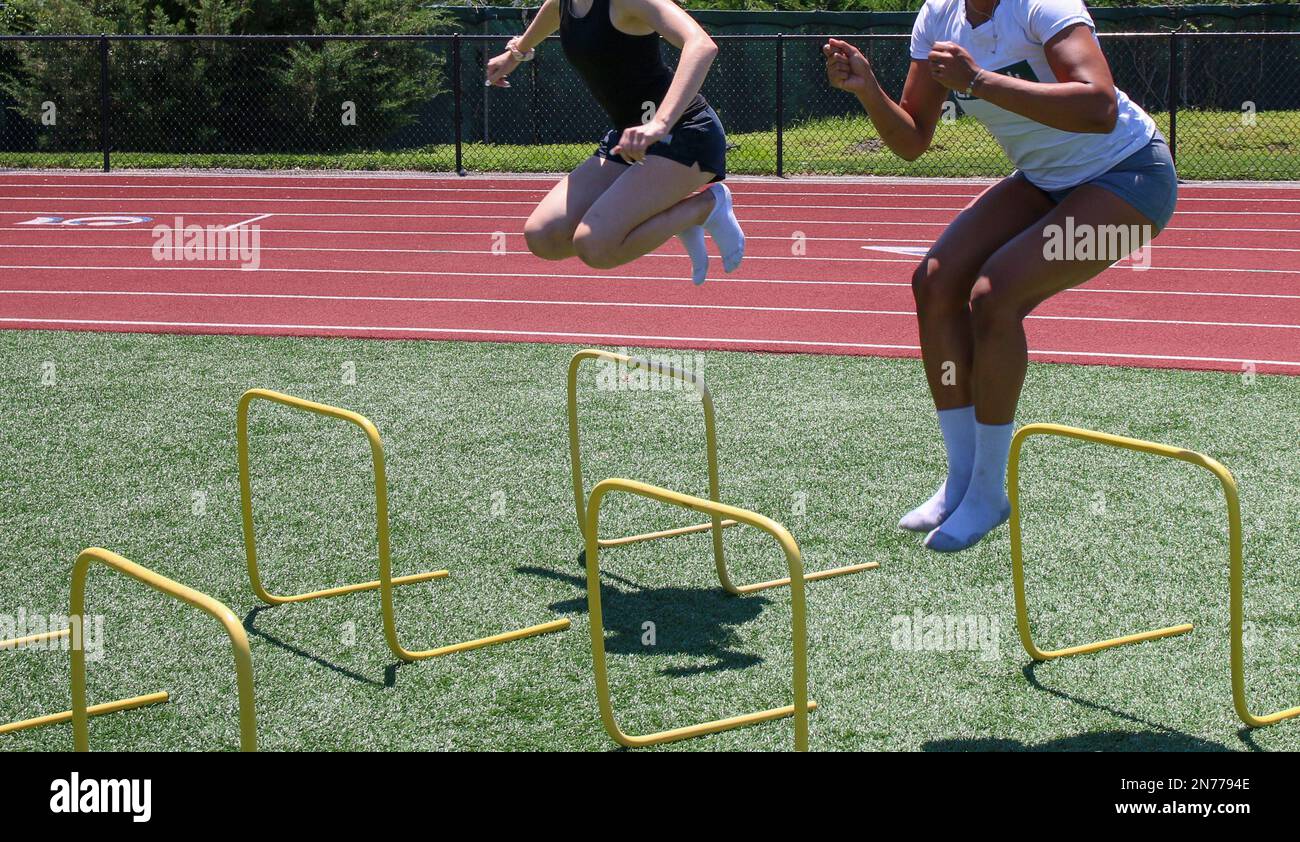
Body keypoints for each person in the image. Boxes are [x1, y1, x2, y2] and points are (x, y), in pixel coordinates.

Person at [825, 0, 1177, 552]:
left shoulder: (1041, 6)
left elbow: (1100, 107)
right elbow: (913, 139)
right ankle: (960, 480)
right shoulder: (937, 16)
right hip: (1045, 180)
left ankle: (989, 492)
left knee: (994, 295)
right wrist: (870, 89)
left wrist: (980, 81)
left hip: (1130, 178)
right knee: (935, 281)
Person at [486, 0, 745, 285]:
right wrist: (516, 53)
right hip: (629, 139)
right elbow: (549, 16)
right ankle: (674, 213)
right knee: (544, 236)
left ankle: (704, 207)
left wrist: (660, 123)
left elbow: (701, 45)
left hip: (685, 133)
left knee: (596, 245)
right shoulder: (563, 2)